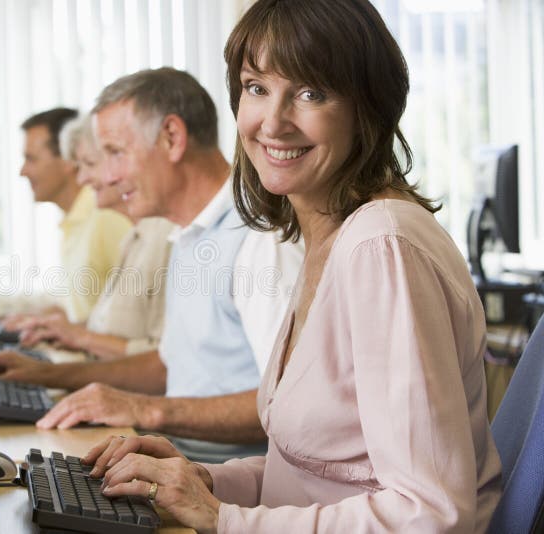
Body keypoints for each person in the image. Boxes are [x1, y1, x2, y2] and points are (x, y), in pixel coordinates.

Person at [81, 1, 502, 532]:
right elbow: (319, 474)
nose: (273, 122)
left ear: (366, 106)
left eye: (311, 92)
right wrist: (206, 480)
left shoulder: (381, 247)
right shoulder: (328, 238)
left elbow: (430, 514)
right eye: (257, 87)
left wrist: (224, 519)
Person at [0, 68, 304, 460]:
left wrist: (145, 410)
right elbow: (169, 367)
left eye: (115, 153)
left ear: (172, 138)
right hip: (184, 460)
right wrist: (48, 375)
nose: (107, 176)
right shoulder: (190, 234)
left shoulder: (260, 240)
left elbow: (289, 407)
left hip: (230, 490)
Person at [18, 114, 175, 360]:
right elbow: (107, 321)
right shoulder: (132, 237)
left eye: (89, 164)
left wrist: (80, 338)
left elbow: (159, 353)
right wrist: (65, 329)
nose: (83, 179)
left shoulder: (115, 223)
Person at [1, 108, 131, 326]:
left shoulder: (106, 217)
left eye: (31, 159)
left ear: (68, 160)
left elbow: (133, 322)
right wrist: (48, 318)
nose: (22, 172)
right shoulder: (73, 221)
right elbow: (94, 308)